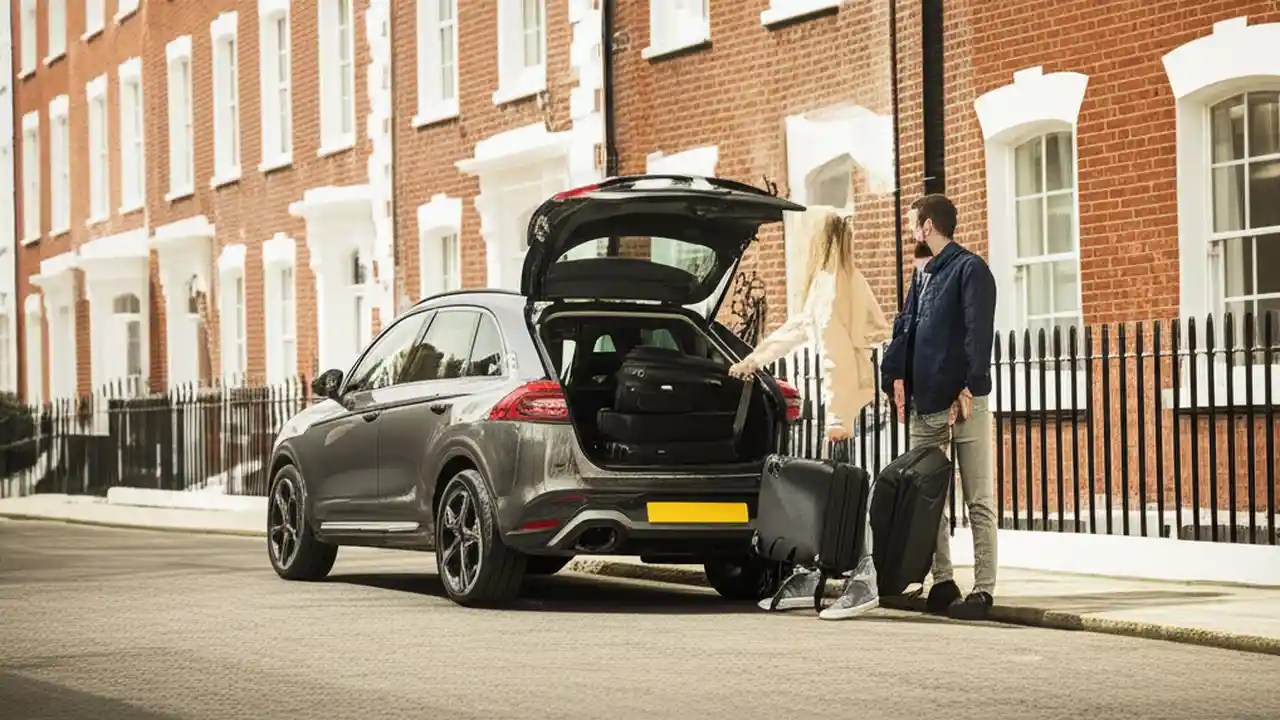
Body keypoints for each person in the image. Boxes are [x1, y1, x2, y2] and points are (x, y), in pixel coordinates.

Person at [728, 206, 890, 621]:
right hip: (858, 409)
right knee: (839, 499)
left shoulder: (831, 285)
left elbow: (835, 354)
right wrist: (755, 359)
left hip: (848, 415)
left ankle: (863, 581)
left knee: (847, 502)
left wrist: (837, 417)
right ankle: (815, 579)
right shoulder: (840, 281)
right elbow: (797, 328)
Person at [881, 194, 998, 620]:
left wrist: (970, 385)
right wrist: (893, 376)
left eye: (914, 222)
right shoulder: (925, 274)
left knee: (977, 497)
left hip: (964, 402)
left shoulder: (971, 270)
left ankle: (983, 590)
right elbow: (905, 328)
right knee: (927, 498)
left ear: (927, 225)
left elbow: (977, 332)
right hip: (924, 403)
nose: (911, 228)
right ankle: (942, 581)